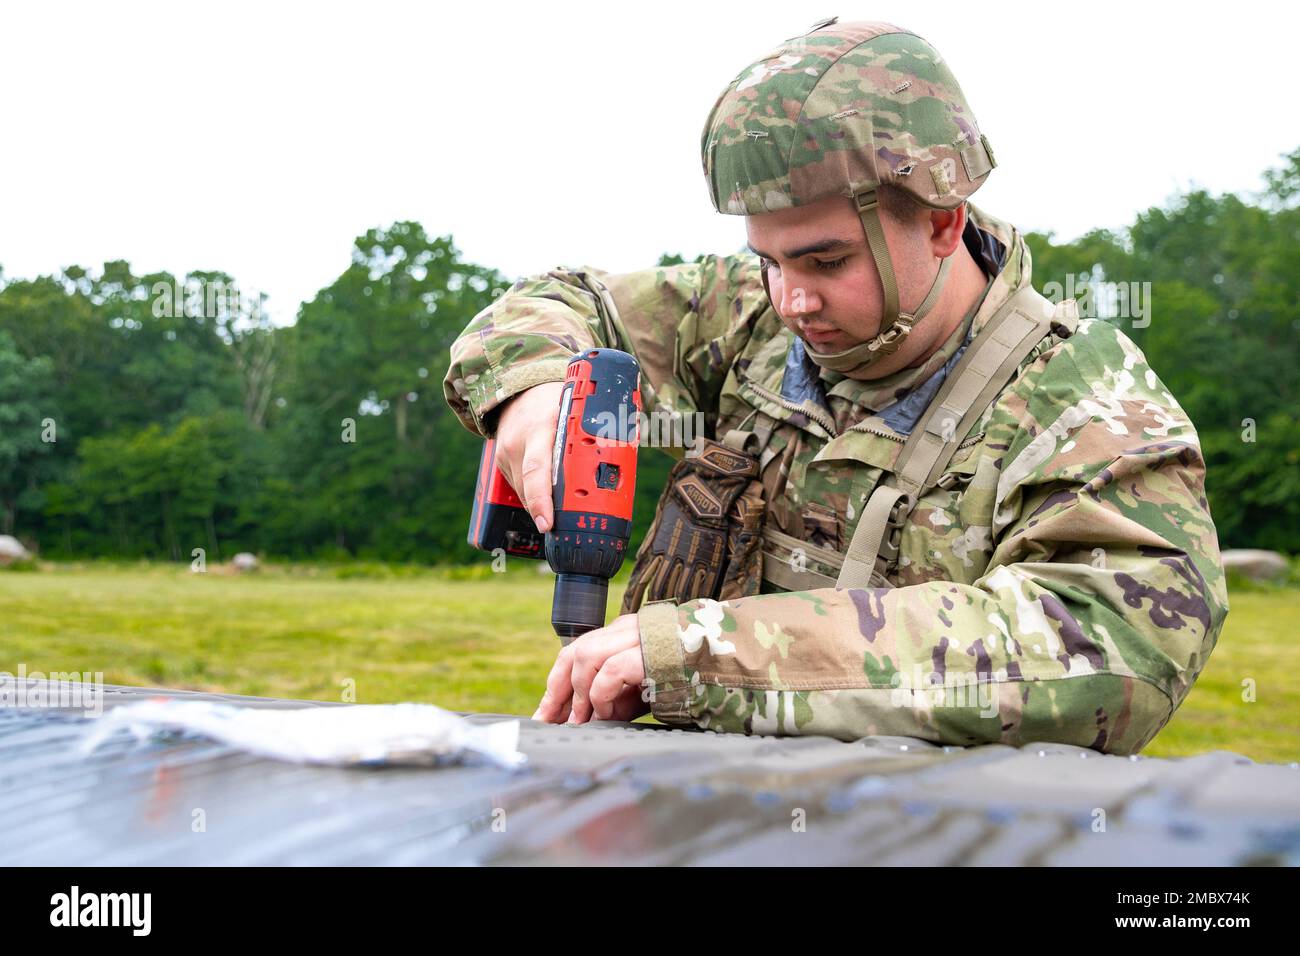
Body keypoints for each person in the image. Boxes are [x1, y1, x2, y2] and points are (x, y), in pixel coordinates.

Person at [442, 20, 1227, 753]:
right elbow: (559, 300)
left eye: (826, 262)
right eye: (769, 260)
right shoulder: (752, 318)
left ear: (940, 222)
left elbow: (1112, 645)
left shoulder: (1085, 399)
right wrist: (537, 385)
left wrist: (706, 655)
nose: (792, 300)